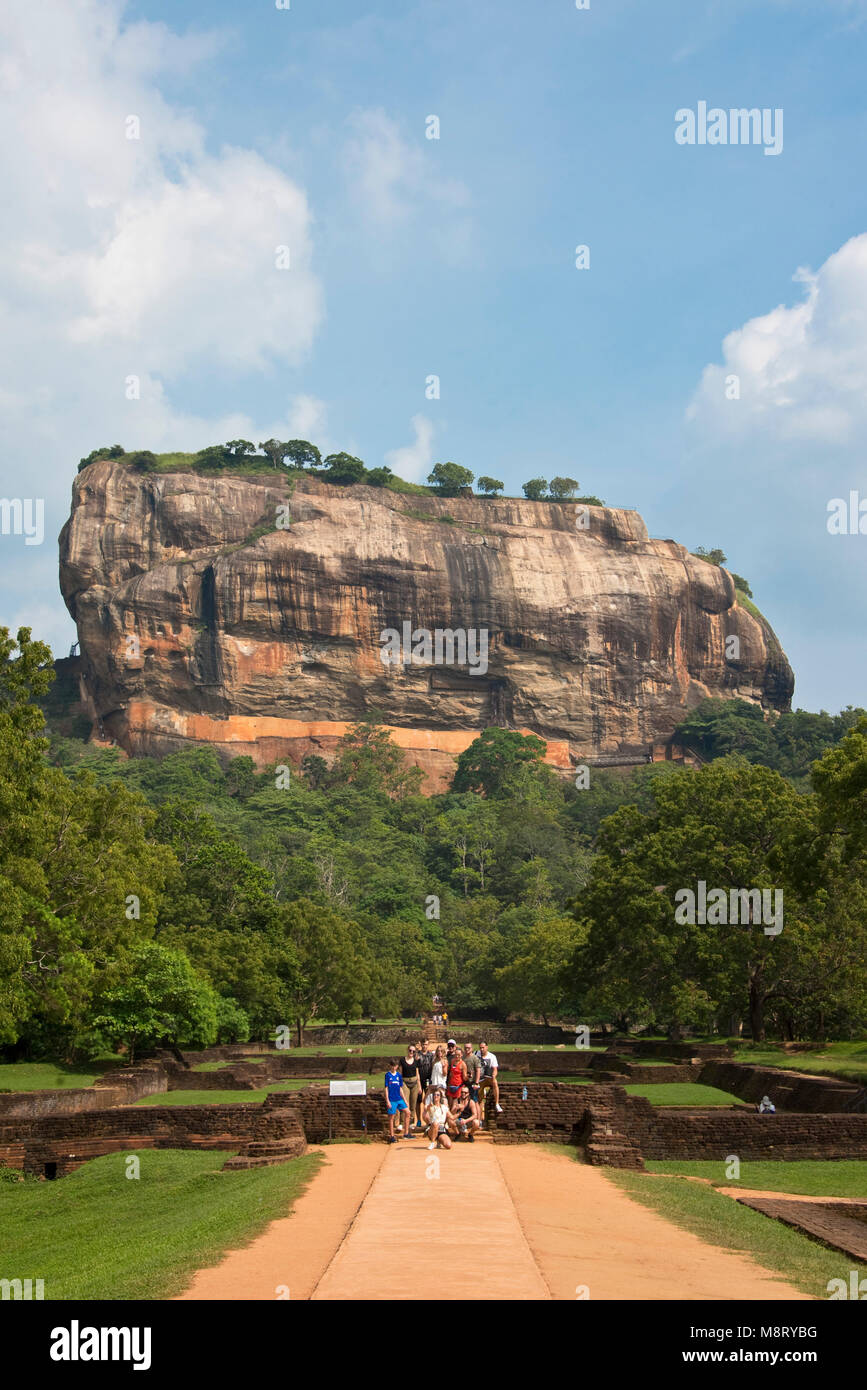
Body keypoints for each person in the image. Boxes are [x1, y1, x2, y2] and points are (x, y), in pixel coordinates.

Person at [383, 1059, 411, 1142]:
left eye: (395, 1066)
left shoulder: (398, 1075)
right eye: (392, 1066)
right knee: (391, 1117)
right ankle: (392, 1136)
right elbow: (386, 1088)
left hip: (399, 1098)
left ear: (397, 1066)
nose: (393, 1067)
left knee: (408, 1112)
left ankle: (406, 1133)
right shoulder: (387, 1075)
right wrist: (387, 1100)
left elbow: (400, 1088)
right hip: (392, 1099)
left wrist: (405, 1100)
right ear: (390, 1066)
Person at [399, 1044, 423, 1129]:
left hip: (414, 1082)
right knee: (405, 1102)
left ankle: (411, 1122)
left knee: (413, 1104)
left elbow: (417, 1074)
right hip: (405, 1082)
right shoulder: (402, 1060)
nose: (411, 1052)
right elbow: (400, 1073)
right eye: (410, 1050)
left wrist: (419, 1086)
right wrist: (400, 1085)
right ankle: (401, 1122)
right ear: (407, 1050)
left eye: (413, 1051)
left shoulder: (416, 1061)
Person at [477, 1041, 503, 1117]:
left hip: (489, 1078)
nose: (481, 1049)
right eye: (480, 1048)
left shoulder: (492, 1056)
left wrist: (494, 1076)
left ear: (487, 1047)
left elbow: (495, 1069)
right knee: (480, 1099)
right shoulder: (476, 1054)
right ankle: (479, 1118)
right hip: (480, 1079)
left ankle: (497, 1104)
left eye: (483, 1047)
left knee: (495, 1082)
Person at [445, 1039, 466, 1108]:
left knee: (455, 1105)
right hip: (451, 1085)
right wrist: (448, 1084)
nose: (457, 1056)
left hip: (458, 1086)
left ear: (461, 1055)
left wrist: (469, 1076)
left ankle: (455, 1118)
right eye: (456, 1055)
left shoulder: (463, 1064)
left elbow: (464, 1077)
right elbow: (451, 1073)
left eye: (459, 1055)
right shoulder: (452, 1061)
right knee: (450, 1104)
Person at [416, 1039, 434, 1111]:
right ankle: (419, 1120)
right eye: (423, 1044)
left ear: (428, 1045)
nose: (424, 1046)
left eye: (426, 1044)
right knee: (418, 1100)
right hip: (419, 1079)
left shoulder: (431, 1055)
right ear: (421, 1045)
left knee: (428, 1099)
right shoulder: (417, 1055)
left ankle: (428, 1117)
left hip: (428, 1079)